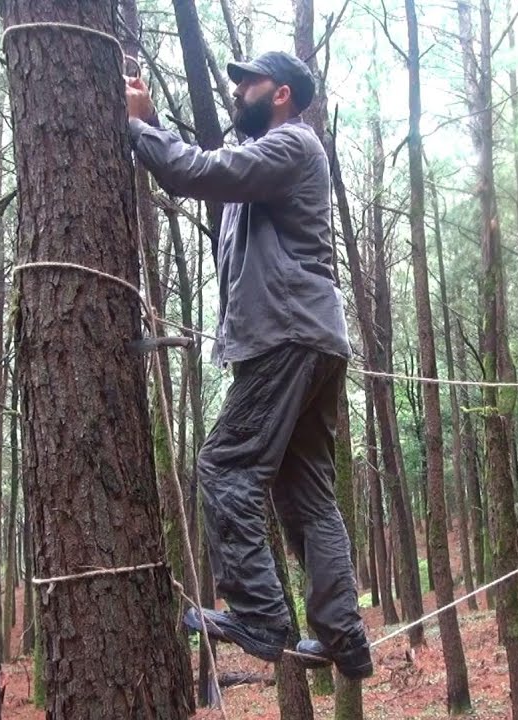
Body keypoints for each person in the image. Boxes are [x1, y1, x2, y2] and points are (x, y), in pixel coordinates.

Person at [124, 50, 372, 680]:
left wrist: (136, 128)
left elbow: (195, 172)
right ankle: (343, 636)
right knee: (306, 493)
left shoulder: (292, 146)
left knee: (226, 466)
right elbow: (214, 178)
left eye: (248, 83)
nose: (237, 93)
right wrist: (152, 121)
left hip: (288, 339)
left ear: (281, 94)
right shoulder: (269, 163)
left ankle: (260, 614)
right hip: (305, 338)